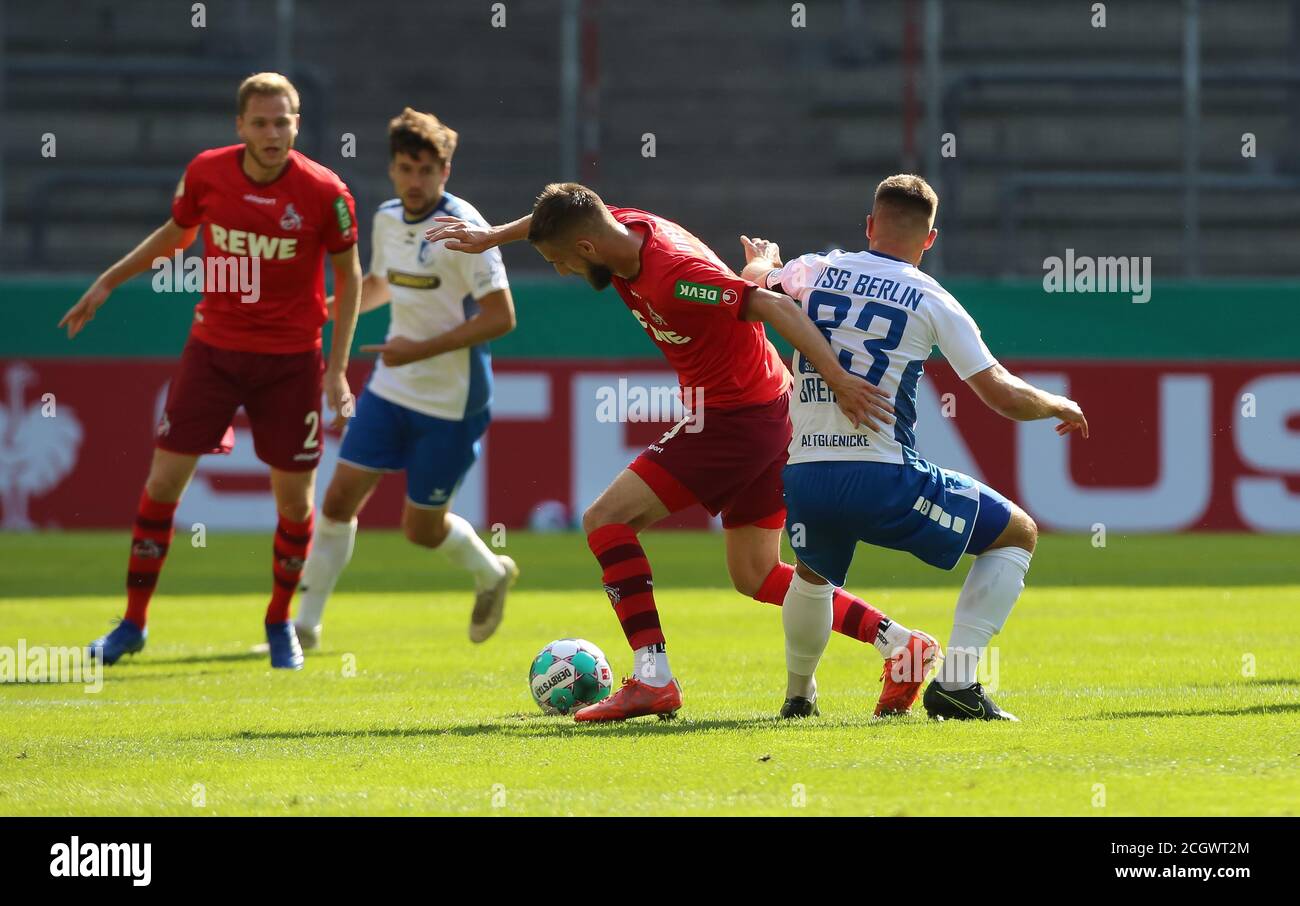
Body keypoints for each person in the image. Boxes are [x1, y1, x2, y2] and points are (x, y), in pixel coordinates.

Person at [426, 184, 937, 722]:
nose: (560, 272)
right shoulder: (614, 225)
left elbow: (774, 307)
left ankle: (654, 676)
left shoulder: (674, 275)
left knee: (605, 520)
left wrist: (837, 381)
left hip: (734, 419)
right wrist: (491, 237)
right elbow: (555, 216)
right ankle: (900, 643)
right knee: (757, 574)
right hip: (768, 408)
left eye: (559, 262)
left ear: (587, 248)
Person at [741, 174, 1089, 720]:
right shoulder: (932, 299)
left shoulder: (816, 268)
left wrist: (765, 259)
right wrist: (1055, 404)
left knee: (811, 576)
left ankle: (798, 696)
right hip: (880, 475)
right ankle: (957, 684)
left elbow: (754, 289)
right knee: (1016, 532)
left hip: (805, 472)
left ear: (869, 226)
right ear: (930, 240)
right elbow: (999, 394)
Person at [60, 73, 361, 670]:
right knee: (163, 484)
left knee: (296, 505)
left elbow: (350, 278)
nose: (273, 134)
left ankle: (280, 622)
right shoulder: (207, 173)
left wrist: (337, 372)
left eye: (284, 121)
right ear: (240, 126)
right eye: (261, 122)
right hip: (214, 352)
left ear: (297, 124)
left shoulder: (325, 193)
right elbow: (178, 232)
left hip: (292, 362)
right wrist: (109, 282)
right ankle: (133, 623)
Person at [291, 107, 518, 651]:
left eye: (425, 170)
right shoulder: (388, 218)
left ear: (445, 171)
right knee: (339, 499)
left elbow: (500, 317)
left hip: (452, 400)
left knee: (419, 530)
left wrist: (417, 349)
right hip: (392, 389)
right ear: (392, 170)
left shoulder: (466, 228)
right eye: (404, 168)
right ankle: (305, 627)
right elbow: (380, 284)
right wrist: (324, 311)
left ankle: (491, 574)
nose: (413, 181)